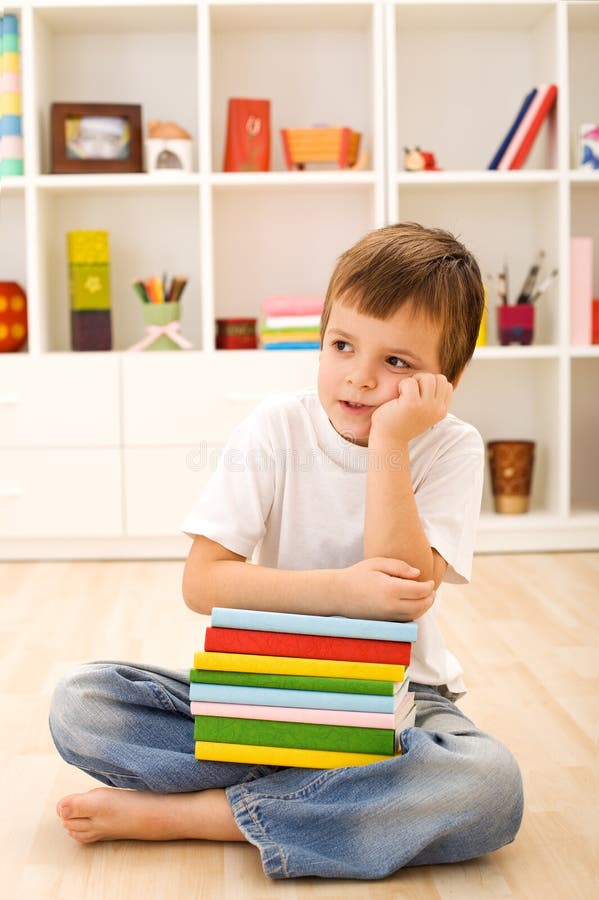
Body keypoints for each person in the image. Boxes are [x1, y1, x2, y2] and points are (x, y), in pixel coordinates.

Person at [49, 222, 524, 880]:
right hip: (269, 684)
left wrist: (390, 441)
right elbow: (203, 582)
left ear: (447, 379)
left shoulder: (450, 446)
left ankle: (213, 814)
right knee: (82, 702)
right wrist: (338, 593)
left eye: (396, 363)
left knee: (488, 787)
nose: (357, 379)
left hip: (401, 700)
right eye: (341, 345)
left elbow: (404, 588)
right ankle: (325, 795)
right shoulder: (275, 425)